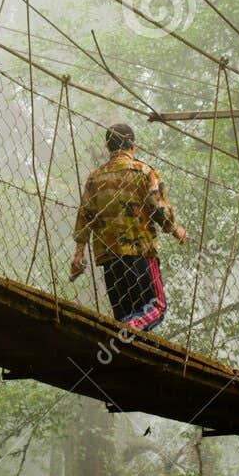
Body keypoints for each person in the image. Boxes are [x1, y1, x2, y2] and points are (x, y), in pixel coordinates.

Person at [69, 123, 187, 331]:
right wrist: (175, 229)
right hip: (140, 252)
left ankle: (122, 331)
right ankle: (125, 329)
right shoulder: (143, 171)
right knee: (155, 308)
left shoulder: (95, 178)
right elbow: (159, 209)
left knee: (126, 314)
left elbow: (85, 215)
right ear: (132, 144)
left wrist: (79, 255)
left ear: (108, 147)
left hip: (110, 257)